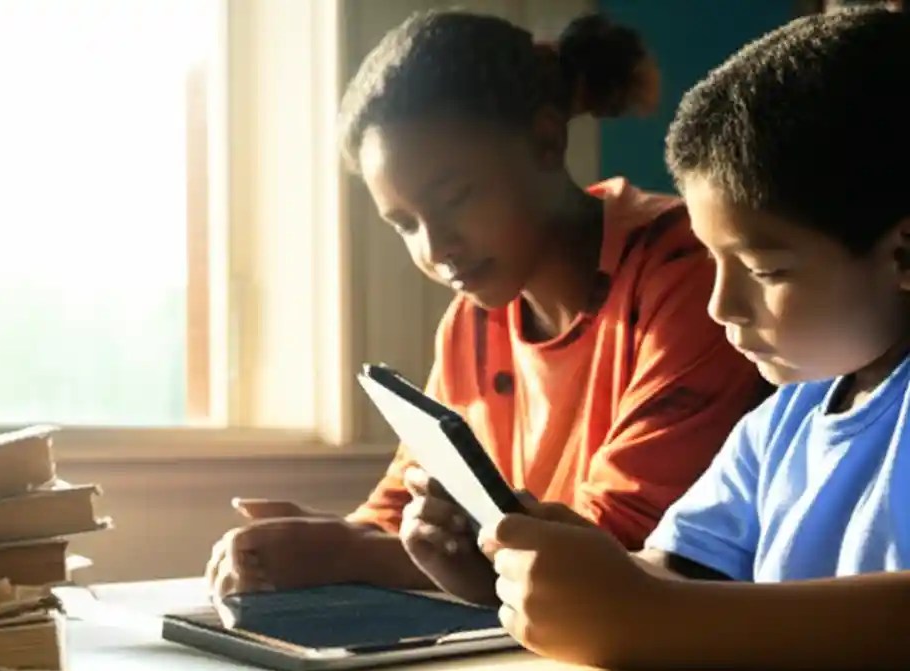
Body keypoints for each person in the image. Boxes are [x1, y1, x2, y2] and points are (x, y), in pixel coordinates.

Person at [206, 10, 765, 600]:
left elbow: (624, 544)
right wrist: (329, 538)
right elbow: (404, 506)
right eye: (403, 224)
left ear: (547, 142)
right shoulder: (472, 323)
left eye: (456, 198)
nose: (436, 246)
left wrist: (355, 555)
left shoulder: (688, 271)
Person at [457, 8, 910, 671]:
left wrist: (648, 615)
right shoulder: (779, 423)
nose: (722, 306)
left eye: (765, 270)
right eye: (711, 260)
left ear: (902, 252)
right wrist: (569, 568)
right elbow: (680, 577)